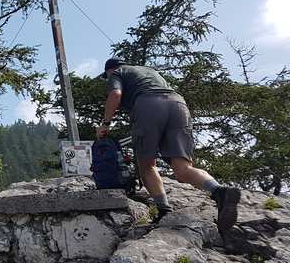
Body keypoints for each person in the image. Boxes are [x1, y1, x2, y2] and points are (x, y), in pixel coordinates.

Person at [97, 57, 240, 234]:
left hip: (148, 105)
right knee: (183, 168)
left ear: (110, 70)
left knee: (147, 165)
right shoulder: (149, 70)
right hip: (178, 104)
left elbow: (116, 95)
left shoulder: (117, 73)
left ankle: (163, 209)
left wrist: (105, 123)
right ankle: (219, 191)